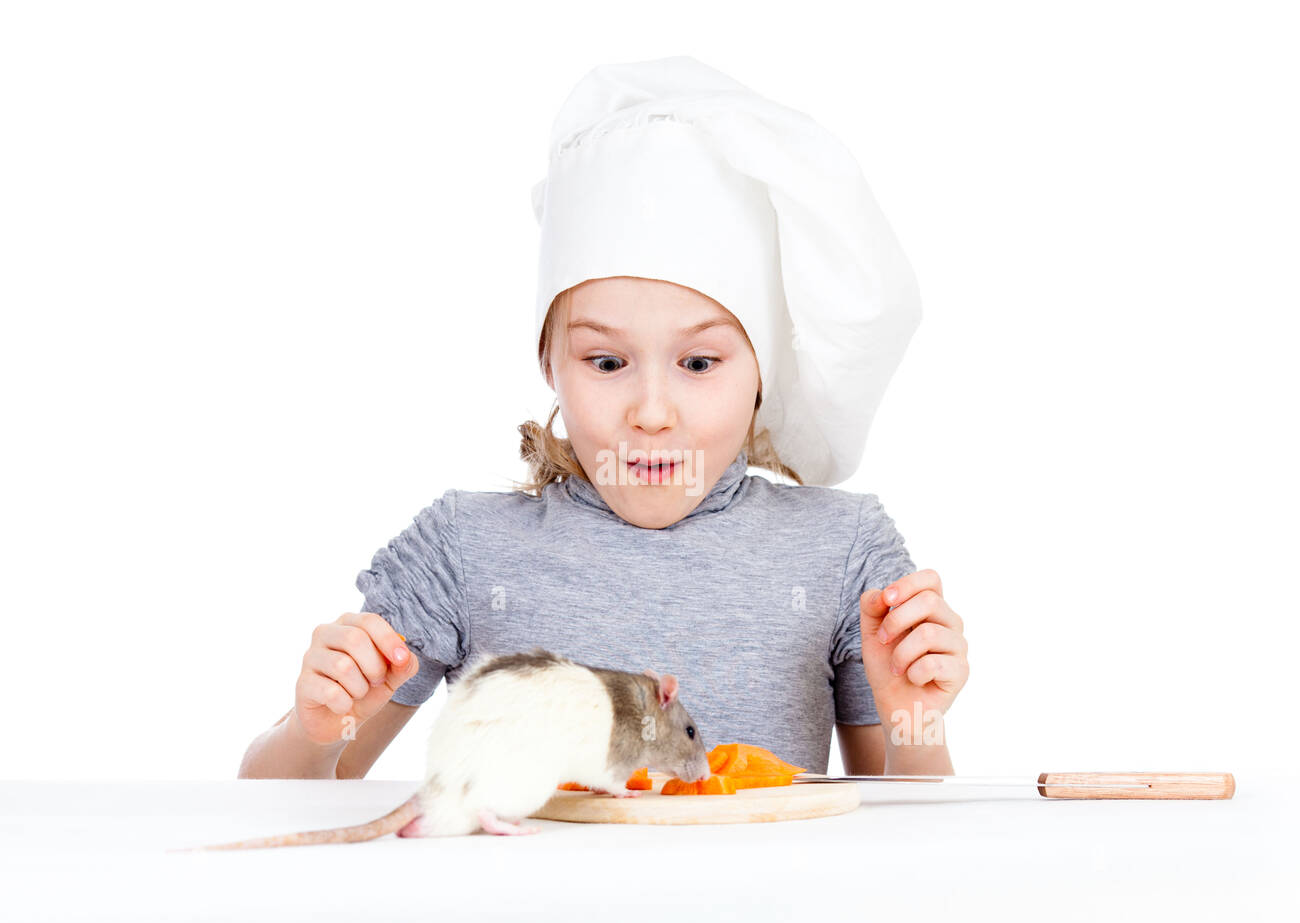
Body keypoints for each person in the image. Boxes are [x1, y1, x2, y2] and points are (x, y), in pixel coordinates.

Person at [239, 57, 969, 781]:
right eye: (606, 362)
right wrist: (317, 729)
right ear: (550, 362)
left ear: (760, 376)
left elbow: (896, 829)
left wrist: (919, 722)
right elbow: (290, 797)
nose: (651, 413)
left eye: (700, 363)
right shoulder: (463, 553)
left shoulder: (841, 554)